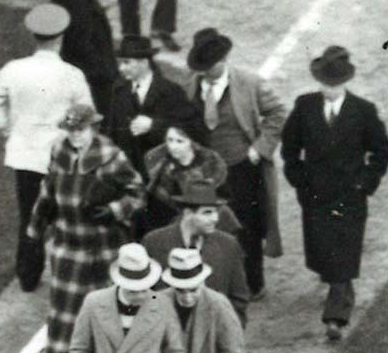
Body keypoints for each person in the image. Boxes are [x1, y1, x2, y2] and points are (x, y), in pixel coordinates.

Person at [27, 104, 143, 353]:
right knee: (63, 316)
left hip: (105, 245)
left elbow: (137, 192)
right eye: (71, 130)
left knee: (116, 314)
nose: (75, 136)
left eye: (80, 129)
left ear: (93, 127)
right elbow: (47, 191)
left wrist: (115, 210)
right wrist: (36, 227)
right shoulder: (59, 153)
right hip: (69, 246)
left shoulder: (111, 156)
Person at [0, 3, 94, 292]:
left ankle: (28, 277)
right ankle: (64, 277)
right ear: (60, 37)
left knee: (30, 216)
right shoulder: (71, 74)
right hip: (62, 157)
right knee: (66, 218)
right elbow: (86, 114)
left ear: (35, 36)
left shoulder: (14, 69)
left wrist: (8, 126)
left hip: (26, 155)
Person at [281, 46, 388, 342]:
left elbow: (381, 151)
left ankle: (335, 317)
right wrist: (298, 178)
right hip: (314, 193)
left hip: (349, 195)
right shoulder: (305, 106)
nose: (329, 90)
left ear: (344, 82)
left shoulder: (363, 111)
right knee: (321, 249)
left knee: (343, 250)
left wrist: (365, 182)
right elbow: (290, 146)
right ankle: (337, 283)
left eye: (334, 84)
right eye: (325, 84)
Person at [185, 28, 286, 300]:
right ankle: (219, 283)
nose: (208, 71)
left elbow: (277, 113)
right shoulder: (192, 84)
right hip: (206, 170)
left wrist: (259, 149)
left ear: (223, 59)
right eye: (203, 66)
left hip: (242, 167)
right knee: (208, 225)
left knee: (247, 228)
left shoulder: (249, 82)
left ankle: (252, 285)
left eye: (212, 65)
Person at [105, 35, 200, 235]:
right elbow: (111, 132)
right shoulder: (119, 90)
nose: (121, 68)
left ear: (143, 63)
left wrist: (155, 125)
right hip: (130, 180)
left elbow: (192, 127)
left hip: (162, 183)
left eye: (126, 63)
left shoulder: (171, 92)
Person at [142, 179, 249, 326]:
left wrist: (228, 333)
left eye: (216, 212)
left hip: (213, 333)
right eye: (207, 213)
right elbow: (146, 295)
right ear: (188, 213)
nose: (215, 219)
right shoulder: (154, 242)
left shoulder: (228, 245)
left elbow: (239, 299)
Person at [143, 123, 242, 236]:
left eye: (180, 141)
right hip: (171, 218)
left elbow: (222, 197)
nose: (173, 146)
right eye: (169, 140)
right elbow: (158, 203)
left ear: (191, 142)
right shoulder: (161, 166)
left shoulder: (210, 164)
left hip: (207, 214)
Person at [51, 0, 117, 116]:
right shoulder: (78, 5)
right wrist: (105, 70)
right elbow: (79, 45)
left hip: (93, 75)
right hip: (93, 79)